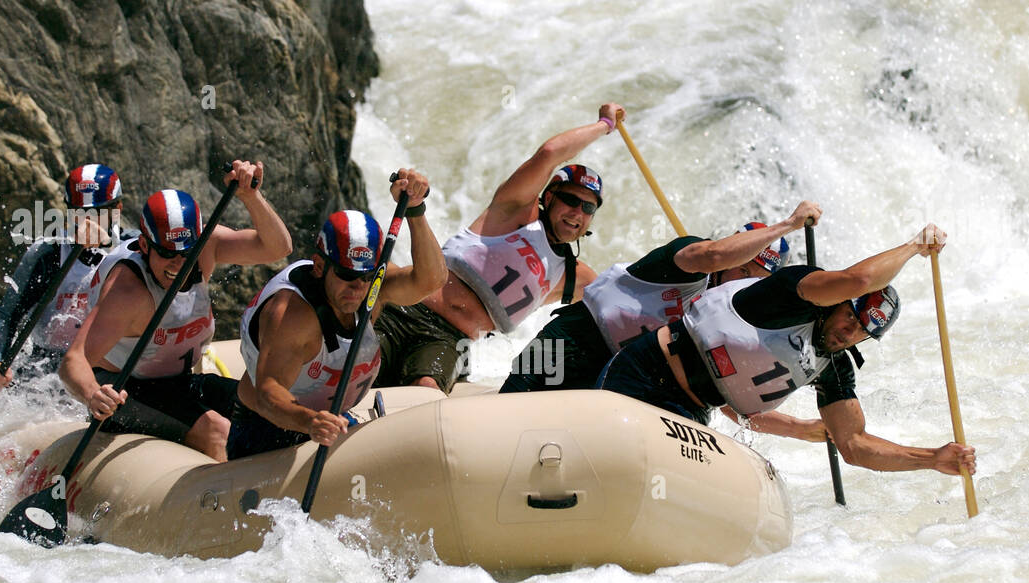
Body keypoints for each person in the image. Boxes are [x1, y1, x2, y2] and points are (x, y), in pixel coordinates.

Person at [598, 224, 977, 477]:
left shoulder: (834, 368)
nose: (851, 331)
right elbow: (859, 279)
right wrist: (914, 246)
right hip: (646, 373)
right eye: (851, 315)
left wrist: (932, 458)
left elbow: (854, 445)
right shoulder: (791, 295)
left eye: (863, 331)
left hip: (692, 410)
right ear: (837, 303)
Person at [373, 103, 626, 393]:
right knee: (361, 365)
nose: (577, 213)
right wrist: (605, 124)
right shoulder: (515, 210)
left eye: (588, 207)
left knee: (426, 386)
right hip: (405, 308)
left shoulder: (572, 276)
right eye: (570, 200)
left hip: (450, 342)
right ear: (550, 197)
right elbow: (549, 153)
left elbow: (622, 308)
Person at [60, 160, 292, 462]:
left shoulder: (206, 246)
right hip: (129, 392)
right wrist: (93, 394)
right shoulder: (128, 292)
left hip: (181, 384)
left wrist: (251, 197)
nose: (178, 264)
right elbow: (73, 360)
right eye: (167, 254)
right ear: (144, 245)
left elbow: (278, 248)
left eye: (186, 253)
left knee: (269, 408)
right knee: (219, 432)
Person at [226, 170, 446, 460]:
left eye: (366, 275)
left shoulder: (372, 286)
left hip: (333, 421)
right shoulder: (292, 316)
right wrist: (310, 422)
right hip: (269, 430)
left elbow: (431, 280)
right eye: (345, 275)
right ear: (319, 267)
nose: (357, 287)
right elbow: (268, 394)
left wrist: (415, 210)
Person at [499, 203, 821, 393]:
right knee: (511, 406)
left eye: (756, 279)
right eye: (744, 270)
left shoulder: (723, 311)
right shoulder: (689, 257)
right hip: (571, 337)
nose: (747, 282)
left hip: (614, 370)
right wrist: (789, 225)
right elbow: (713, 255)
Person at [0, 163, 136, 397]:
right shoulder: (47, 254)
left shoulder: (133, 249)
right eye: (79, 212)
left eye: (97, 212)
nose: (87, 221)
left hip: (108, 365)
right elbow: (5, 316)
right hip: (47, 371)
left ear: (117, 210)